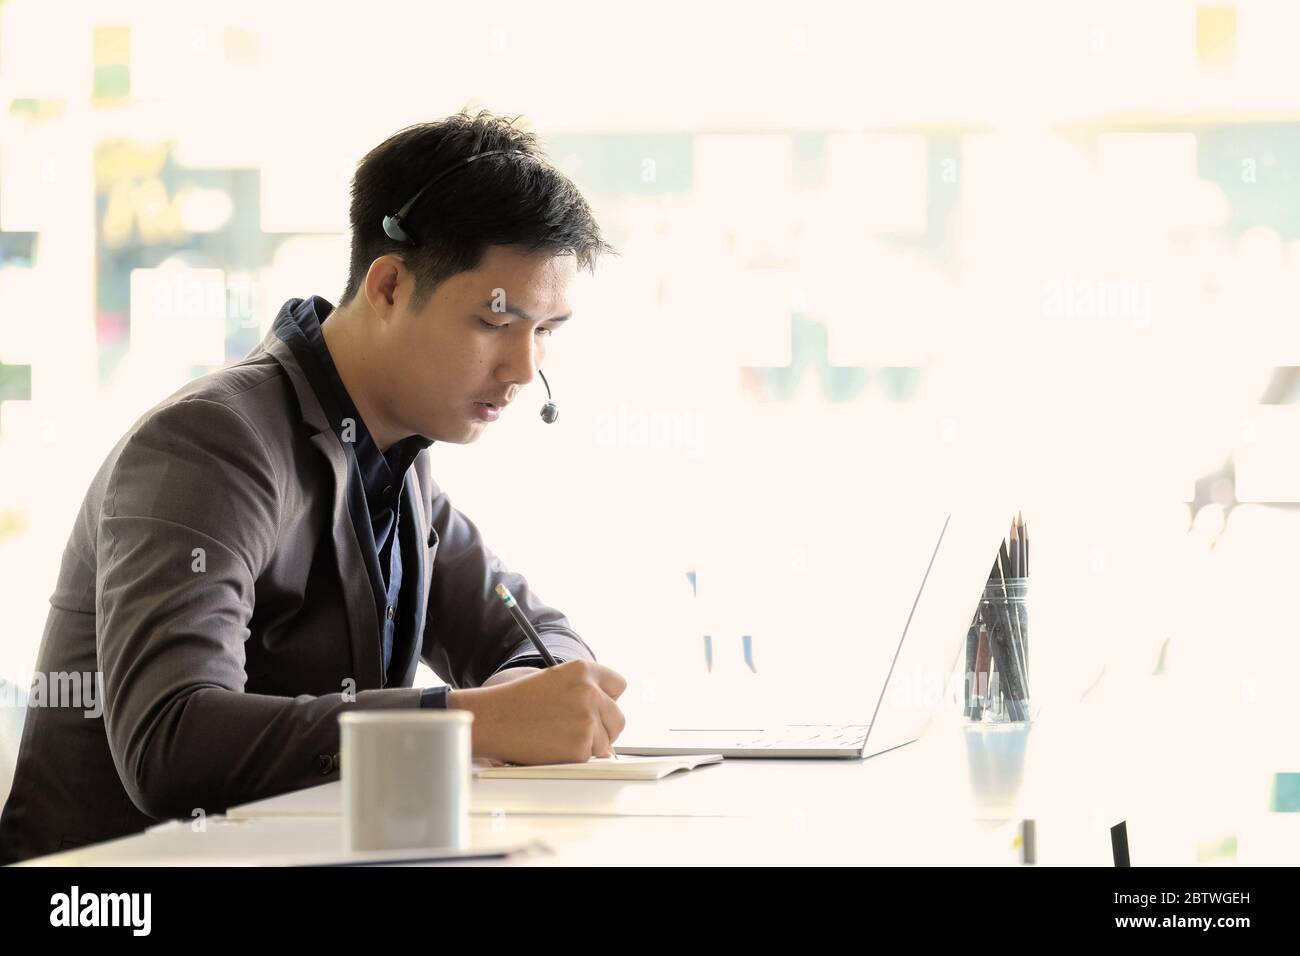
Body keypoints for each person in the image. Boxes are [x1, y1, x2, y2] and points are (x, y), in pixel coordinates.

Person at [0, 109, 626, 864]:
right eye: (497, 322)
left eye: (547, 329)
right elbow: (171, 744)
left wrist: (533, 702)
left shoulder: (394, 461)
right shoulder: (208, 446)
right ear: (390, 285)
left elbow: (543, 643)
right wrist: (472, 721)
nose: (525, 369)